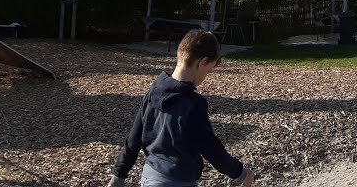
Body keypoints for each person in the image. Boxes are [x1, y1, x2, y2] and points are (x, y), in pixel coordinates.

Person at [107, 29, 255, 187]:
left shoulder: (154, 91)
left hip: (150, 176)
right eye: (208, 70)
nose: (206, 76)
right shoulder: (193, 104)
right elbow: (210, 147)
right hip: (177, 181)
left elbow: (133, 139)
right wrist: (240, 173)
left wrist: (118, 176)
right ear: (202, 62)